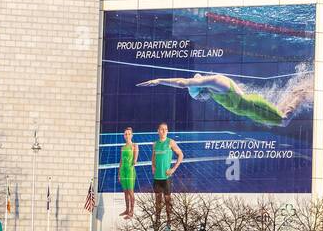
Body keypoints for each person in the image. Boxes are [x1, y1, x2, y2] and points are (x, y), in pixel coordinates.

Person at [136, 72, 298, 128]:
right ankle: (294, 95)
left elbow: (183, 83)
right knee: (279, 118)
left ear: (201, 90)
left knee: (283, 121)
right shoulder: (210, 90)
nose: (202, 100)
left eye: (200, 97)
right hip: (247, 111)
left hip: (251, 106)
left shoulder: (215, 82)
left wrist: (159, 81)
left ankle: (300, 94)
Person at [150, 122, 184, 210]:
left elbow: (181, 155)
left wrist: (173, 169)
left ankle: (169, 222)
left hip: (166, 177)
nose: (164, 131)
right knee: (157, 202)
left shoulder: (170, 142)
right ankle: (157, 222)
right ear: (158, 131)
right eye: (162, 129)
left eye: (166, 129)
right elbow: (153, 156)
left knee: (168, 202)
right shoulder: (155, 144)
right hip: (157, 177)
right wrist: (153, 166)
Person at [118, 127, 139, 218]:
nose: (127, 135)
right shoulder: (122, 147)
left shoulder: (134, 145)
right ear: (124, 136)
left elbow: (135, 160)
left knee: (130, 191)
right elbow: (121, 161)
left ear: (132, 135)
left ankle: (131, 212)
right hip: (123, 170)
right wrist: (119, 173)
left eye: (129, 134)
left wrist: (134, 160)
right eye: (126, 134)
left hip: (130, 170)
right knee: (125, 192)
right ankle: (127, 210)